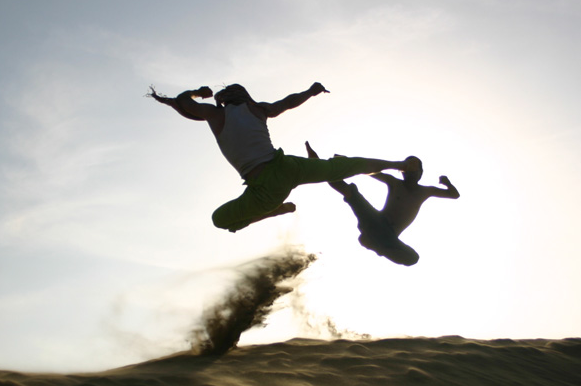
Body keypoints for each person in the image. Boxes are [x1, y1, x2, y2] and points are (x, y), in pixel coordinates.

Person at [149, 83, 417, 232]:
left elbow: (184, 103)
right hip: (288, 166)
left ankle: (276, 210)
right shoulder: (258, 109)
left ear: (223, 100)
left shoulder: (216, 114)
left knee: (220, 220)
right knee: (345, 167)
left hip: (266, 188)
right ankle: (399, 165)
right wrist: (311, 92)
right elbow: (289, 101)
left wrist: (196, 92)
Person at [304, 141, 460, 266]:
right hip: (376, 220)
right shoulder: (394, 182)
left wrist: (447, 182)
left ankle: (374, 244)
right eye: (407, 168)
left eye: (414, 168)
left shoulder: (426, 191)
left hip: (389, 237)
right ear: (402, 171)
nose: (410, 171)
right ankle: (317, 165)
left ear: (420, 173)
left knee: (413, 258)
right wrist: (347, 161)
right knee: (349, 191)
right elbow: (369, 170)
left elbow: (454, 195)